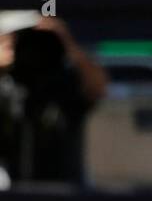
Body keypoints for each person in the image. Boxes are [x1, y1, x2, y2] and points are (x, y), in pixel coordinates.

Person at [0, 14, 107, 184]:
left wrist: (66, 42)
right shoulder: (6, 86)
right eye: (17, 37)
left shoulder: (63, 83)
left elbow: (98, 88)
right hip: (14, 194)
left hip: (63, 194)